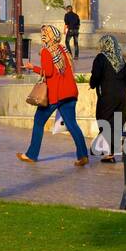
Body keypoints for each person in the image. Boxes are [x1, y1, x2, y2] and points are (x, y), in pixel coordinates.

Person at [17, 24, 89, 167]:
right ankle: (82, 155)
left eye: (44, 33)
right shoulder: (63, 49)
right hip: (70, 93)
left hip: (55, 95)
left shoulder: (46, 51)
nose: (42, 35)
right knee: (72, 124)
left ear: (48, 36)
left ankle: (31, 154)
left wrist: (33, 68)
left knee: (38, 121)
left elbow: (48, 72)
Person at [89, 33, 126, 163]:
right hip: (122, 96)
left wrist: (92, 84)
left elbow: (95, 76)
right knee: (117, 124)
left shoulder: (101, 58)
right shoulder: (120, 59)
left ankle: (107, 151)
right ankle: (110, 153)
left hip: (107, 96)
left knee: (104, 121)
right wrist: (120, 90)